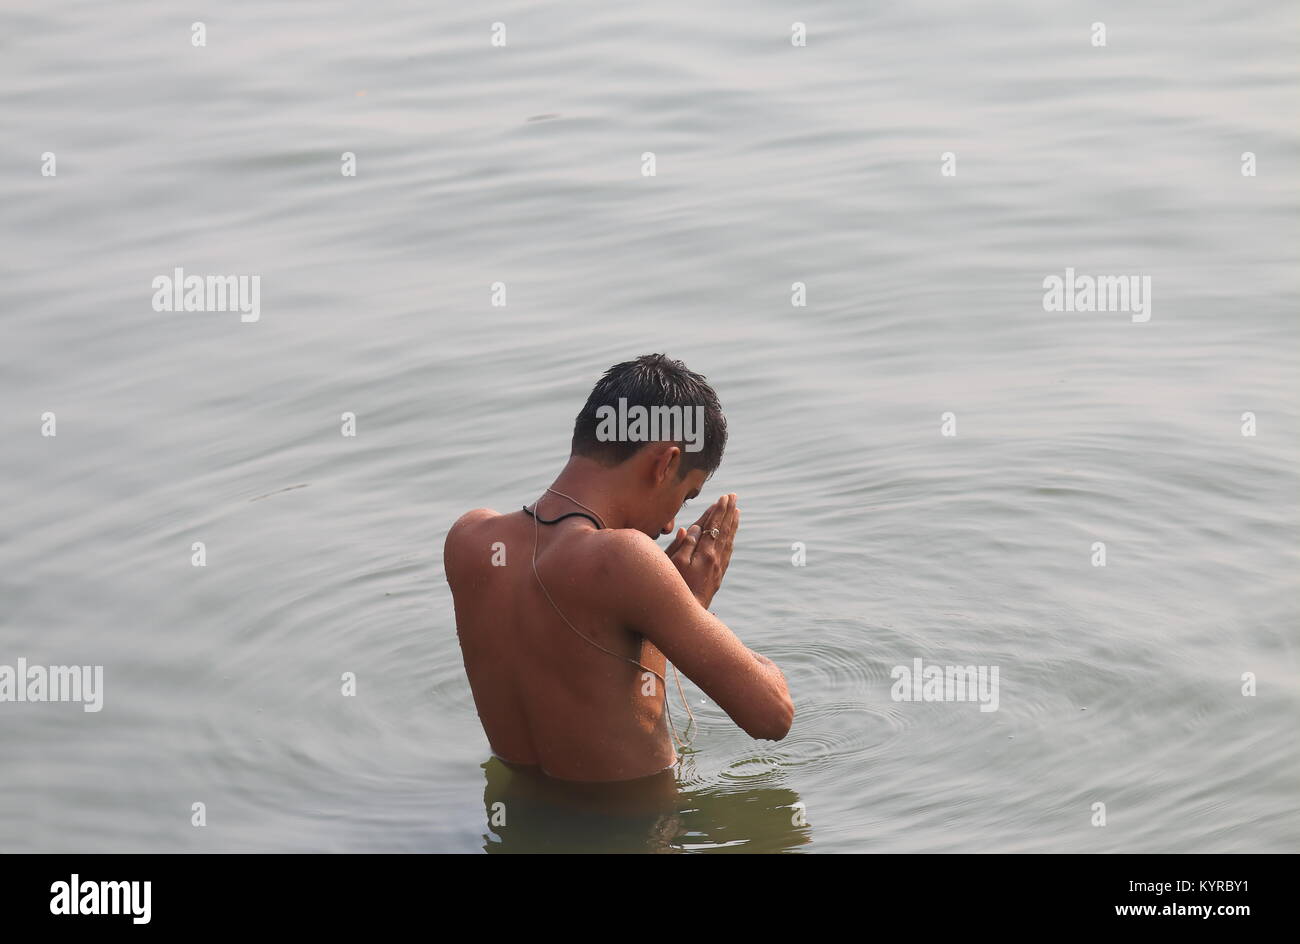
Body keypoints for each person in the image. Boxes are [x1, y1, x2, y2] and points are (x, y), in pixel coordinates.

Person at [444, 354, 794, 782]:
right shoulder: (627, 560)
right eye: (686, 496)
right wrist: (689, 608)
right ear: (665, 463)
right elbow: (772, 715)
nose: (669, 525)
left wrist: (662, 610)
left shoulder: (470, 539)